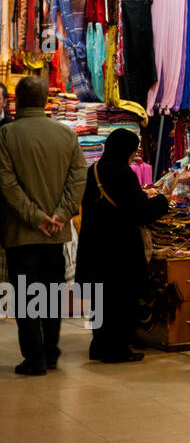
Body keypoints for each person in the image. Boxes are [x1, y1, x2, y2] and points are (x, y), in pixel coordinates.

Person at [0, 76, 87, 375]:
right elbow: (78, 179)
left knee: (26, 297)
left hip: (21, 233)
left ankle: (34, 358)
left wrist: (36, 217)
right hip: (56, 234)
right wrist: (60, 215)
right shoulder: (66, 135)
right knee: (52, 294)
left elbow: (6, 183)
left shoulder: (6, 135)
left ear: (17, 100)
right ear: (45, 99)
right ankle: (50, 353)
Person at [78, 128, 169, 363]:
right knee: (120, 301)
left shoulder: (94, 170)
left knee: (100, 301)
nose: (134, 155)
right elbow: (139, 212)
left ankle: (99, 345)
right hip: (119, 251)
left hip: (94, 248)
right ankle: (117, 349)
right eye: (133, 150)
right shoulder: (123, 173)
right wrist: (162, 200)